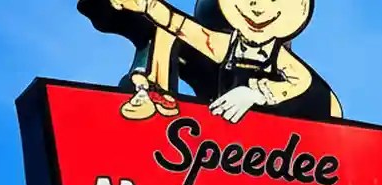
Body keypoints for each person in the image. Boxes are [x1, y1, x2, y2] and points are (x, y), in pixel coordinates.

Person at [81, 0, 342, 123]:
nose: (258, 7)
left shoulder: (280, 58)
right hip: (217, 139)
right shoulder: (221, 43)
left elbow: (307, 87)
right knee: (162, 33)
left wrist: (256, 94)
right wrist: (147, 6)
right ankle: (153, 93)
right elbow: (178, 25)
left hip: (284, 144)